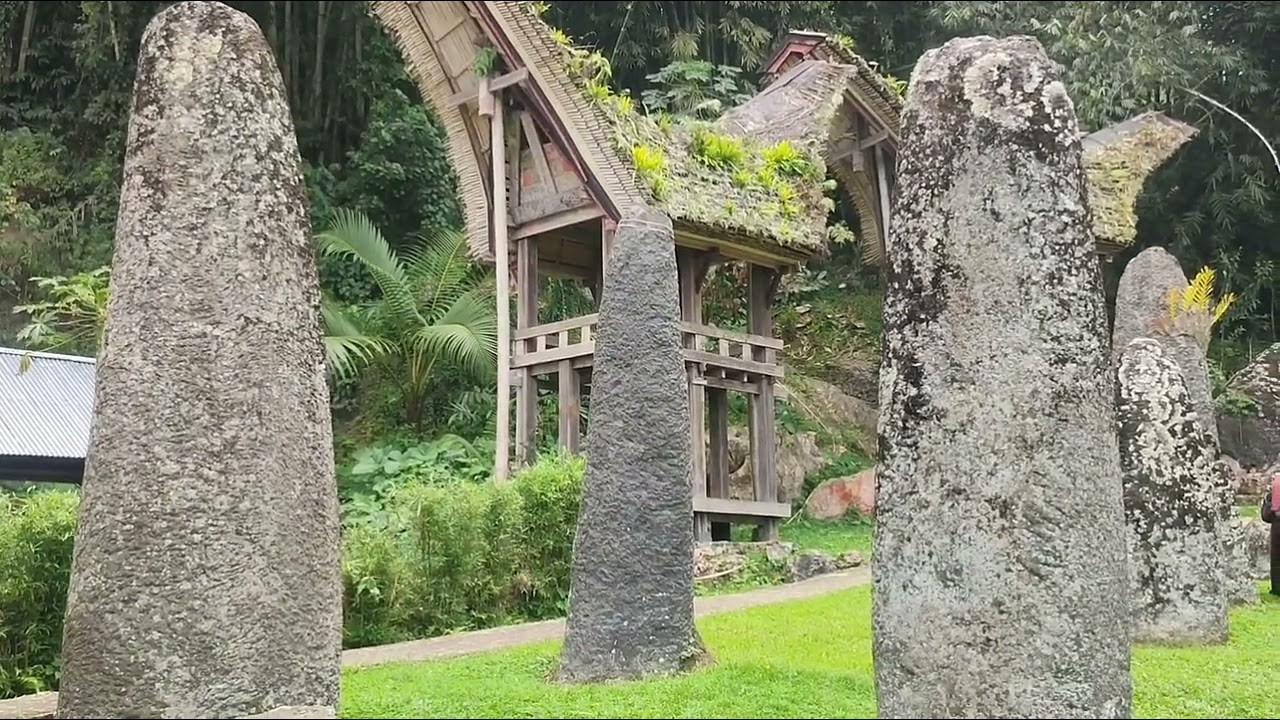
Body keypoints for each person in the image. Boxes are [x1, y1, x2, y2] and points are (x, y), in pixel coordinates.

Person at [1262, 476, 1279, 596]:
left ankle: (1277, 589)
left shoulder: (1275, 488)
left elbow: (1266, 516)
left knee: (1277, 560)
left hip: (1277, 527)